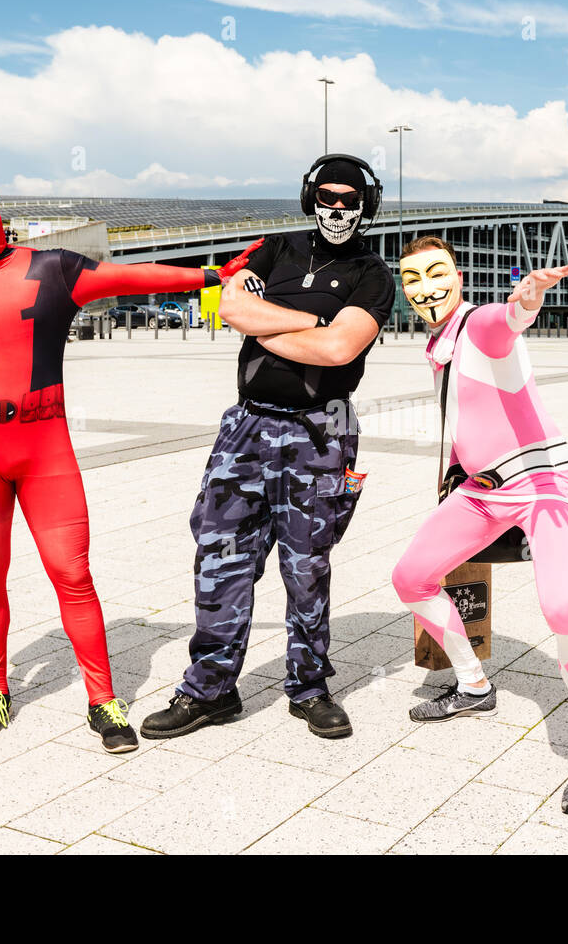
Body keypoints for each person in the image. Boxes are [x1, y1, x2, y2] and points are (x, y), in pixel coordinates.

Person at [0, 177, 258, 752]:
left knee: (73, 575)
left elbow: (128, 275)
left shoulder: (52, 268)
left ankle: (103, 698)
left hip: (44, 453)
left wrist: (208, 274)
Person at [142, 154, 394, 742]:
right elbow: (230, 306)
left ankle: (309, 688)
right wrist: (309, 323)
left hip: (319, 432)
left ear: (366, 206)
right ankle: (210, 690)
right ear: (311, 199)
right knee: (220, 556)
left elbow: (339, 351)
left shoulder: (371, 274)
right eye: (327, 197)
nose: (337, 209)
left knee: (307, 565)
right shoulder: (274, 248)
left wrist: (268, 321)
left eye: (349, 199)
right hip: (247, 428)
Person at [389, 236, 568, 815]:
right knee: (411, 577)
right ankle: (473, 686)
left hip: (541, 487)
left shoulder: (479, 324)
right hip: (483, 490)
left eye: (436, 273)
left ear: (458, 277)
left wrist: (525, 301)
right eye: (412, 278)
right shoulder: (437, 343)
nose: (425, 286)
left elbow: (505, 323)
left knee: (562, 607)